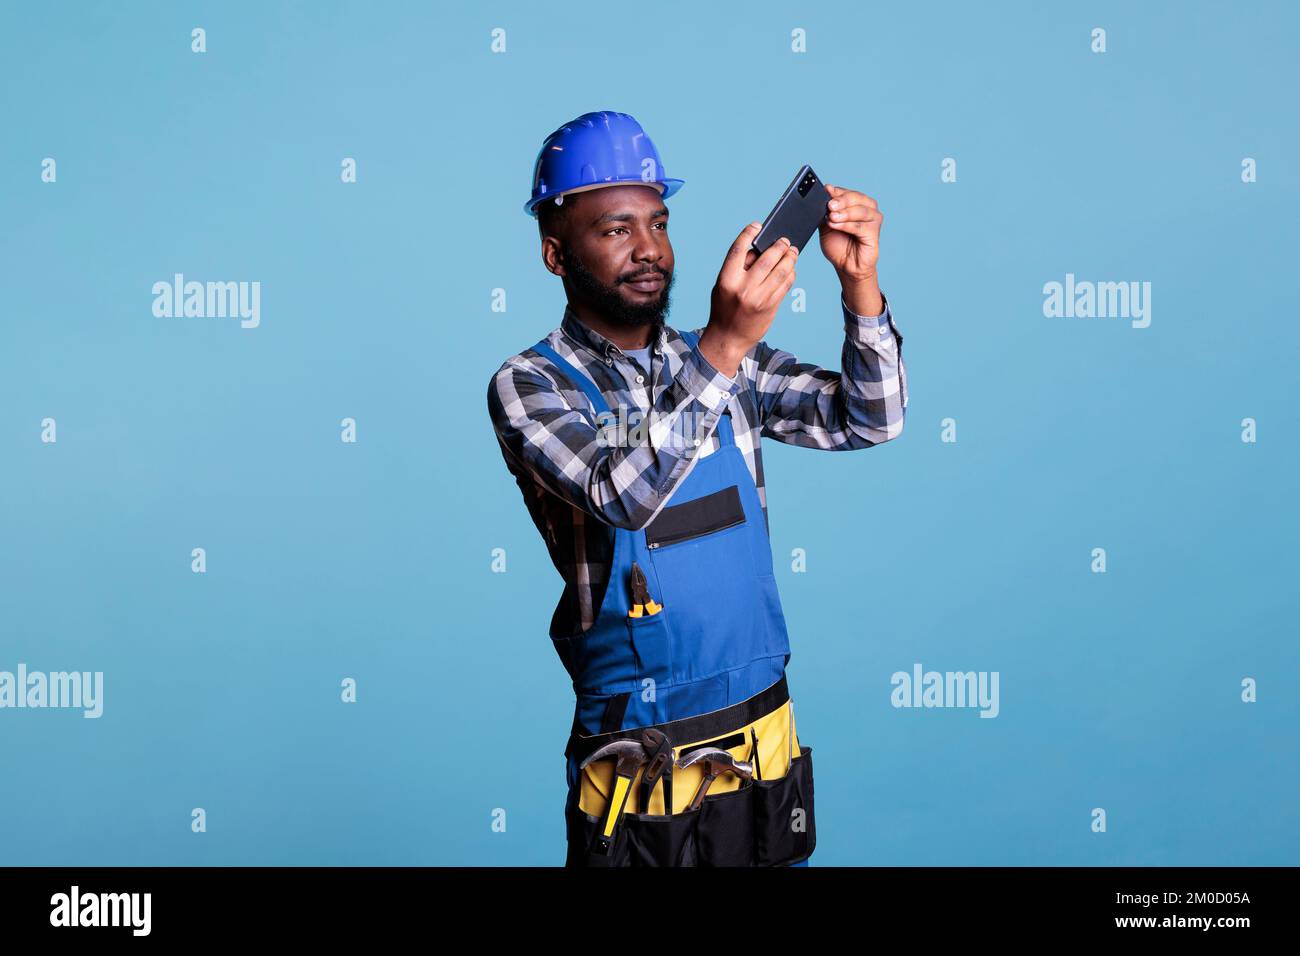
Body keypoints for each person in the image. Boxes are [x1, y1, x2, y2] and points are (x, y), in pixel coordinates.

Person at [487, 111, 908, 866]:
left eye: (658, 222)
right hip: (638, 765)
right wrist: (723, 345)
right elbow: (622, 493)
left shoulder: (721, 360)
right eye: (616, 229)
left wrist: (861, 286)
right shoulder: (533, 386)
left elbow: (869, 419)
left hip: (761, 739)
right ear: (556, 253)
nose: (649, 249)